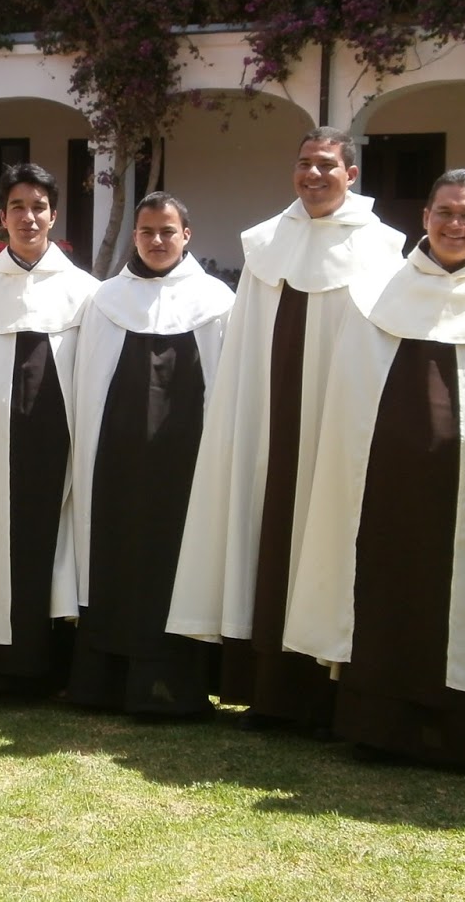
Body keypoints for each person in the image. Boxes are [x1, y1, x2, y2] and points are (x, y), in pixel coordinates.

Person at [283, 169, 465, 768]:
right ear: (425, 218)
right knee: (382, 595)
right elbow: (347, 402)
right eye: (444, 212)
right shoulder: (377, 296)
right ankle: (379, 729)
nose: (454, 225)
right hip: (382, 489)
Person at [168, 127, 404, 733]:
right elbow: (247, 341)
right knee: (267, 536)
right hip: (269, 422)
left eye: (326, 165)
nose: (313, 175)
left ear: (351, 174)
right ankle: (268, 695)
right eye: (304, 163)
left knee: (330, 542)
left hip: (335, 425)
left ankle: (329, 700)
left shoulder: (381, 249)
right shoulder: (266, 244)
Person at [67, 191, 233, 716]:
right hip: (113, 464)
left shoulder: (217, 303)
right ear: (134, 236)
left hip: (188, 465)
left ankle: (177, 688)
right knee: (113, 558)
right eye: (146, 232)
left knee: (180, 563)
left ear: (187, 235)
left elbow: (226, 389)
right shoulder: (105, 301)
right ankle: (103, 685)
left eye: (167, 231)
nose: (157, 240)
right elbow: (87, 384)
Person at [0, 163, 98, 698]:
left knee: (59, 547)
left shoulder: (88, 295)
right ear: (1, 216)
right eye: (17, 207)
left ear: (54, 215)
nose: (28, 217)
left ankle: (59, 672)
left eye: (38, 207)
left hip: (59, 449)